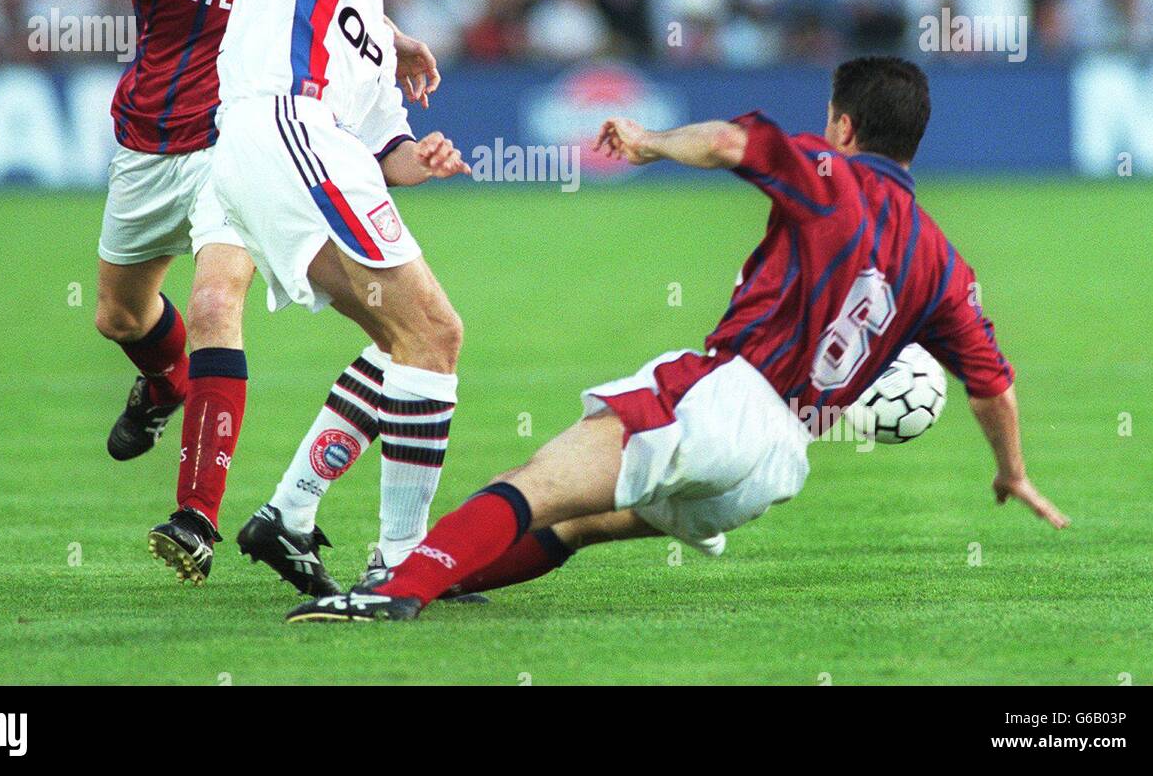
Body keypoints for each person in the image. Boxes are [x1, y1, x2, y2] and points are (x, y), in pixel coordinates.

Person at [284, 56, 1069, 622]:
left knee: (539, 480)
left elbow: (730, 144)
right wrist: (1013, 473)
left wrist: (651, 140)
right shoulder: (943, 262)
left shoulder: (829, 171)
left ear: (843, 124)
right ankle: (446, 580)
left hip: (729, 398)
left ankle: (393, 594)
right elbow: (993, 383)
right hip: (778, 465)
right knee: (579, 523)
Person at [65, 0, 439, 585]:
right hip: (155, 130)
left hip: (243, 139)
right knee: (122, 311)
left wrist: (393, 36)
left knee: (218, 299)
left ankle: (197, 519)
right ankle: (160, 382)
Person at [147, 0, 470, 594]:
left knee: (409, 339)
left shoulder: (372, 18)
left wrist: (417, 162)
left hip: (305, 150)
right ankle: (399, 561)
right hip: (284, 125)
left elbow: (386, 148)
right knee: (436, 333)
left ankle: (289, 513)